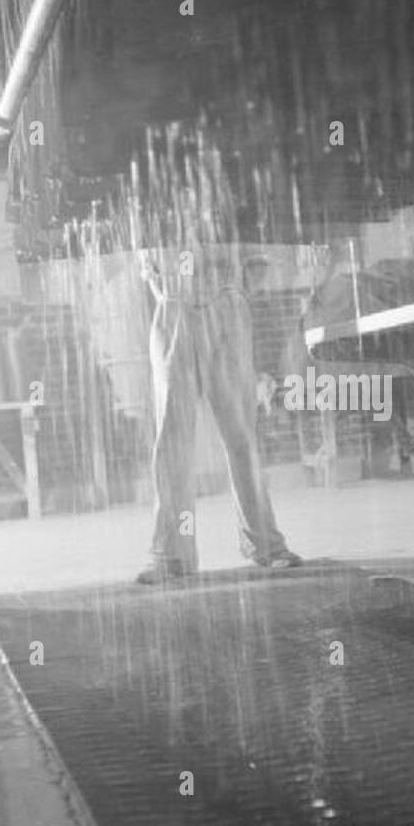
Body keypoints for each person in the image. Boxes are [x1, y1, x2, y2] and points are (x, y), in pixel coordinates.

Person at [134, 242, 301, 582]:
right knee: (173, 443)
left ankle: (267, 546)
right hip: (173, 308)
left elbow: (257, 261)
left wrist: (233, 297)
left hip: (225, 308)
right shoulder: (155, 203)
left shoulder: (226, 199)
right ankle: (172, 556)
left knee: (241, 436)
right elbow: (145, 261)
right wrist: (169, 297)